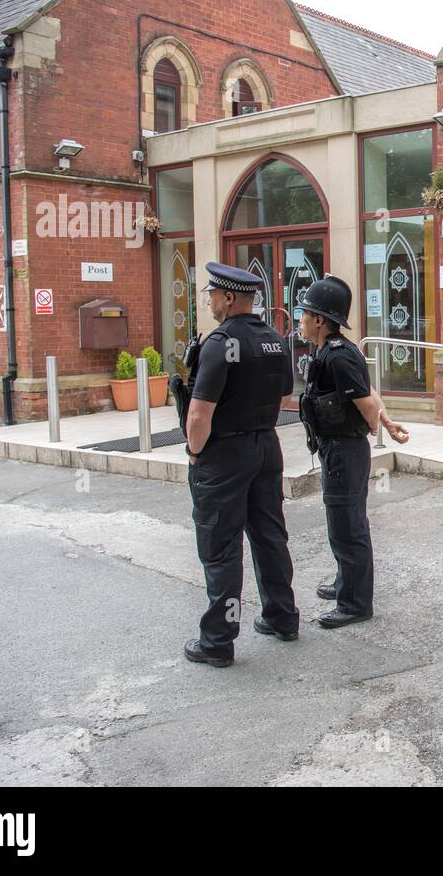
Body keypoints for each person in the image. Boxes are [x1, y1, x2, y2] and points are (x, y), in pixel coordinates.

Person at [182, 262, 298, 667]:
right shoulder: (275, 340)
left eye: (212, 294)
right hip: (266, 445)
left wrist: (195, 452)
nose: (210, 301)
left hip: (225, 454)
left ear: (229, 298)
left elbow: (199, 416)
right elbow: (284, 396)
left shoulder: (220, 342)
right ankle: (282, 616)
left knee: (221, 546)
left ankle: (217, 641)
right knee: (269, 535)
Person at [295, 274, 409, 629]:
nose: (300, 320)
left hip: (344, 449)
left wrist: (377, 423)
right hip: (339, 449)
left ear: (318, 320)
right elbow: (369, 389)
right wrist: (389, 424)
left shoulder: (338, 356)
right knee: (342, 523)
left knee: (348, 527)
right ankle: (346, 583)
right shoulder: (335, 351)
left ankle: (356, 603)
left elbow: (365, 401)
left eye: (304, 314)